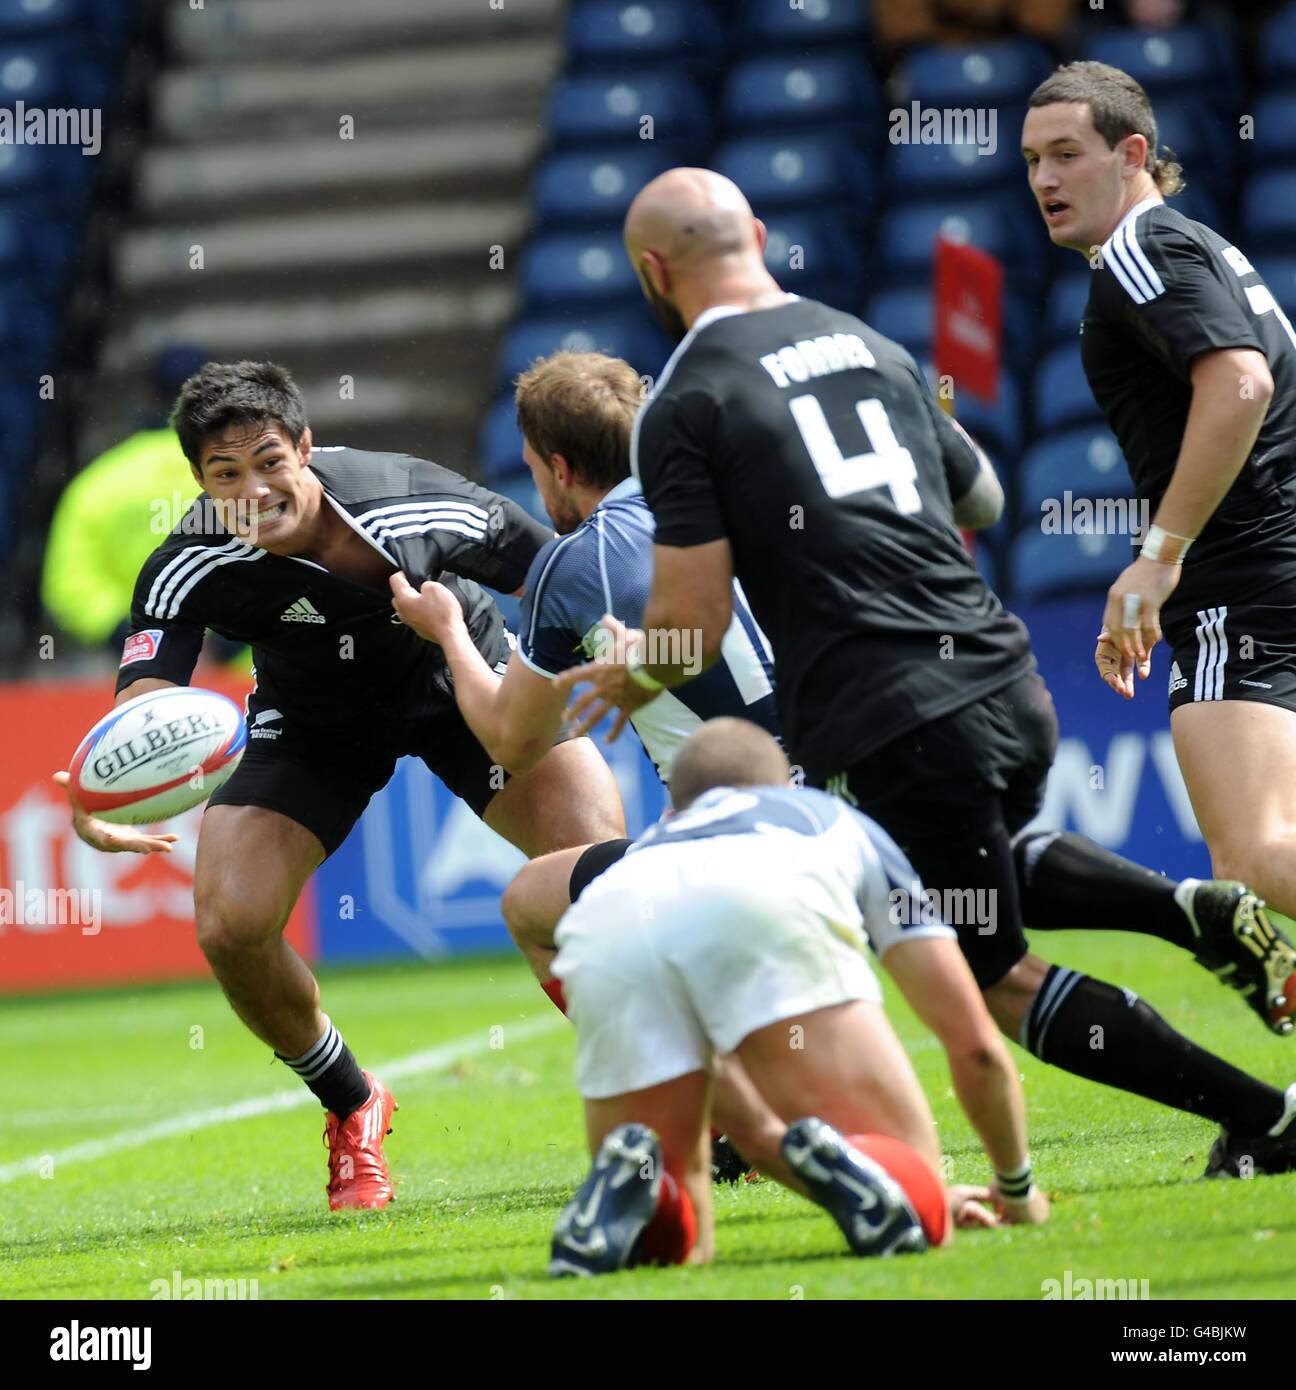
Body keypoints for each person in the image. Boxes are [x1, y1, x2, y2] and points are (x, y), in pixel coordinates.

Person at [560, 167, 1296, 1180]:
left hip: (891, 708)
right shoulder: (870, 342)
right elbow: (984, 497)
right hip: (1001, 675)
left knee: (987, 967)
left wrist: (630, 676)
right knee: (954, 874)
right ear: (761, 235)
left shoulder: (683, 397)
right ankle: (1187, 916)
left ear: (652, 270)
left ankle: (1264, 1115)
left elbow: (690, 623)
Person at [53, 360, 625, 1210]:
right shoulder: (187, 562)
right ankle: (354, 1104)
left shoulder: (411, 500)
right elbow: (146, 703)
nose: (255, 489)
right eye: (225, 474)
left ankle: (678, 1097)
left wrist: (612, 647)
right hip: (315, 725)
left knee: (600, 878)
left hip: (462, 683)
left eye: (270, 461)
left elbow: (559, 568)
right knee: (229, 923)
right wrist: (101, 792)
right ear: (200, 484)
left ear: (307, 450)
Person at [1021, 64, 1296, 1165]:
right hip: (1271, 562)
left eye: (1068, 154)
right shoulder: (1196, 245)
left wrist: (1159, 555)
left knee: (1254, 852)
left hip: (1247, 578)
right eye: (1032, 161)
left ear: (1134, 153)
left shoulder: (1141, 248)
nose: (1045, 178)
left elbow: (1239, 385)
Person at [549, 719, 1045, 1277]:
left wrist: (767, 1133)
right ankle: (877, 1174)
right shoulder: (834, 819)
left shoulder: (647, 849)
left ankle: (650, 1195)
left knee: (682, 1234)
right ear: (784, 785)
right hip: (765, 897)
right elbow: (973, 1043)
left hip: (607, 919)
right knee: (921, 1202)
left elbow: (523, 899)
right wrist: (1016, 1186)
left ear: (677, 805)